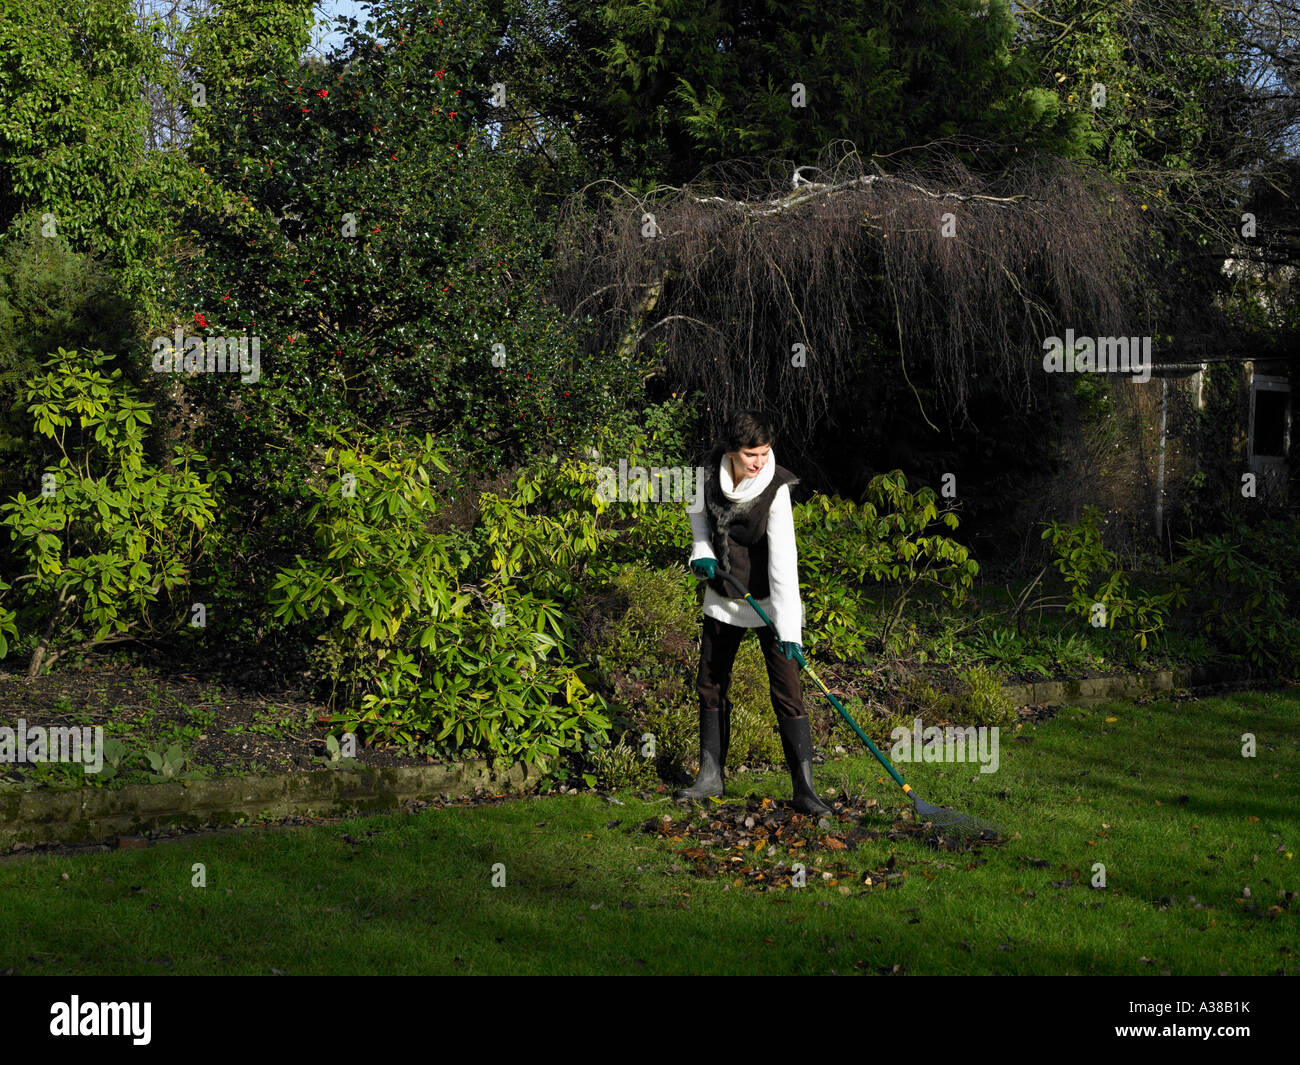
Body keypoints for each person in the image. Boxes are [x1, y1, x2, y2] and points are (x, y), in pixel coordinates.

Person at [677, 409, 833, 816]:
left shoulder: (775, 488)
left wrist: (789, 633)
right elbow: (698, 518)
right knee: (711, 682)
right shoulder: (706, 475)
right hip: (725, 593)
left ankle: (804, 789)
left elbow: (783, 565)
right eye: (751, 454)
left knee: (788, 691)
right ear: (731, 452)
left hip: (768, 601)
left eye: (765, 452)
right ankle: (710, 776)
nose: (760, 461)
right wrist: (703, 551)